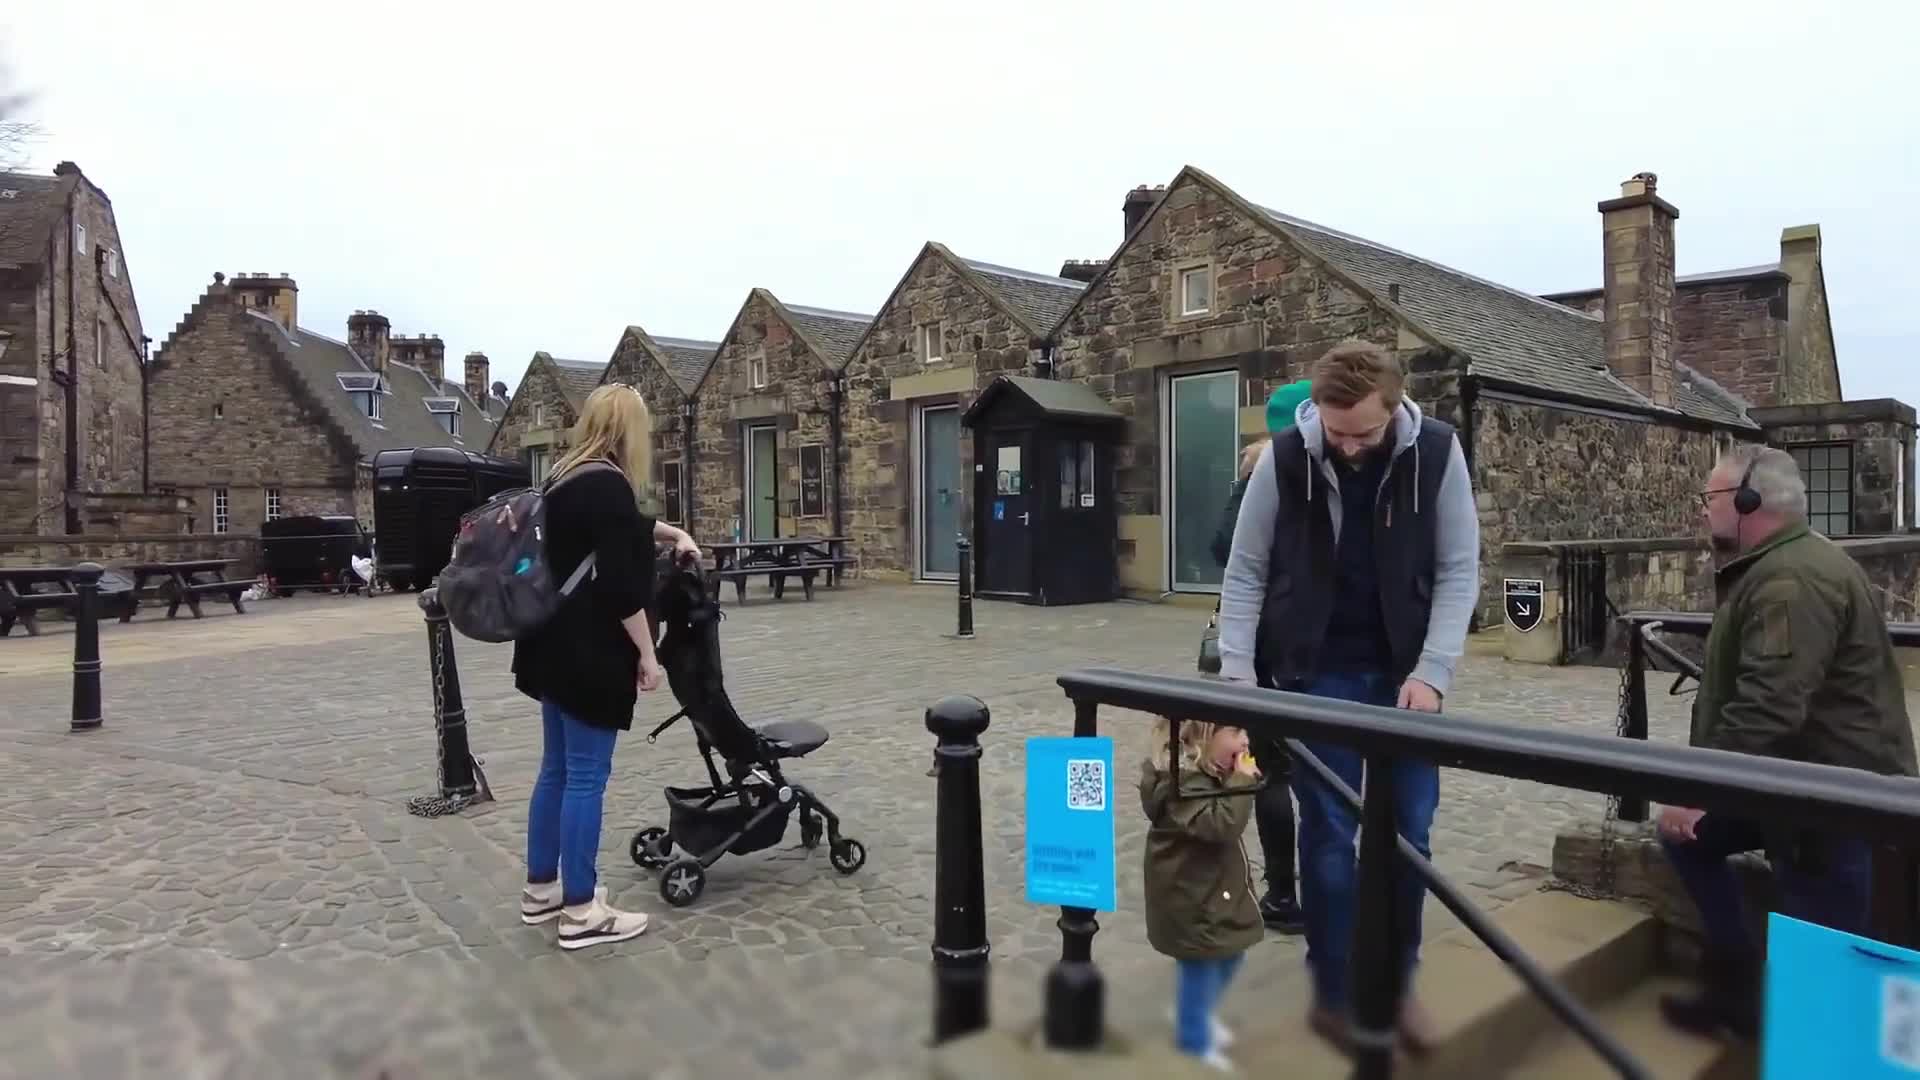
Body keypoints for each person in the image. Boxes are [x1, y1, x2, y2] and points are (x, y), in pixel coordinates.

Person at [1215, 341, 1479, 1054]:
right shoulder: (1283, 458)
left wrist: (1434, 672)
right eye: (1337, 433)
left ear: (1395, 407)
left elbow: (1459, 571)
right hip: (1315, 676)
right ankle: (1333, 993)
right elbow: (1244, 575)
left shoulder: (1439, 453)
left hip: (1405, 679)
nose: (1351, 448)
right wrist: (1238, 681)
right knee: (1329, 841)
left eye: (1364, 432)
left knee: (1408, 839)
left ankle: (1396, 987)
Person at [1657, 444, 1918, 1038]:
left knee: (1823, 968)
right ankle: (1739, 987)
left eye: (1712, 498)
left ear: (1751, 502)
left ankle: (1802, 1030)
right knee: (1687, 839)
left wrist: (1700, 790)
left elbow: (1769, 704)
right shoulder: (1778, 567)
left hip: (1833, 802)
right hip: (1792, 784)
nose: (1704, 510)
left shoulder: (1791, 581)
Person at [511, 383, 701, 951]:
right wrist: (647, 654)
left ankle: (541, 890)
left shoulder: (565, 477)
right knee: (587, 778)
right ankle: (581, 911)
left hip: (547, 644)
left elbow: (618, 533)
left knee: (556, 771)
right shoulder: (612, 486)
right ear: (629, 431)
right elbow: (622, 590)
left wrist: (672, 531)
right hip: (590, 653)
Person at [1207, 379, 1313, 936]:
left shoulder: (1272, 472)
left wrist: (1243, 480)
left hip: (1270, 645)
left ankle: (1284, 893)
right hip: (1321, 647)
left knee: (1273, 770)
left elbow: (1225, 550)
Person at [1141, 716, 1264, 1069]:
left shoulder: (1206, 775)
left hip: (1208, 892)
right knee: (1203, 963)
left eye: (1245, 731)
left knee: (1230, 954)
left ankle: (1191, 1011)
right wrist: (1241, 781)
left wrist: (1233, 777)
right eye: (1236, 732)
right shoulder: (1185, 784)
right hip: (1190, 899)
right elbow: (1222, 825)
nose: (1245, 741)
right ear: (1203, 739)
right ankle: (1193, 1041)